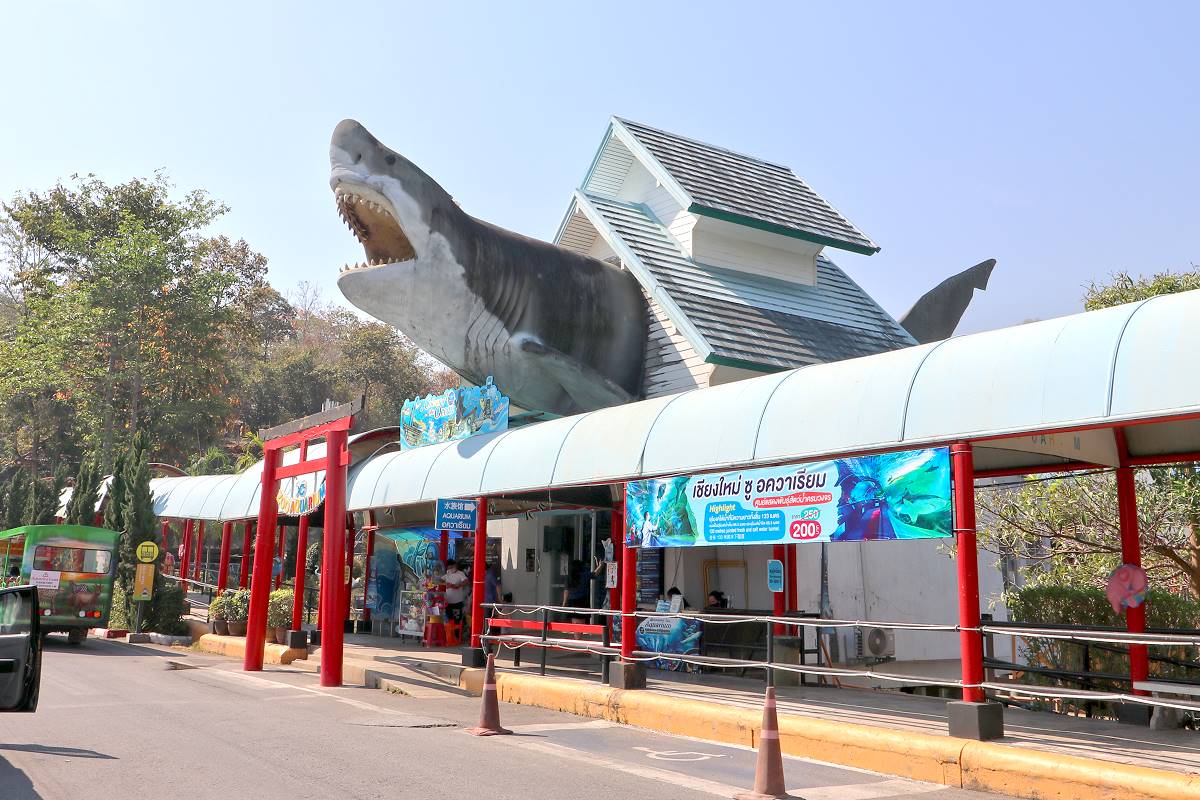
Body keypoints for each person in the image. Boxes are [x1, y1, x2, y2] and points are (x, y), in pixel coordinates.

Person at [439, 559, 469, 623]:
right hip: (448, 602)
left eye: (451, 567)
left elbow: (466, 581)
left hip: (457, 602)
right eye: (449, 568)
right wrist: (445, 584)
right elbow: (439, 581)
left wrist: (458, 585)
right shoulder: (448, 574)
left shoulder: (460, 573)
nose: (450, 569)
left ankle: (458, 632)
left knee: (457, 620)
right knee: (449, 619)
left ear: (455, 566)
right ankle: (450, 632)